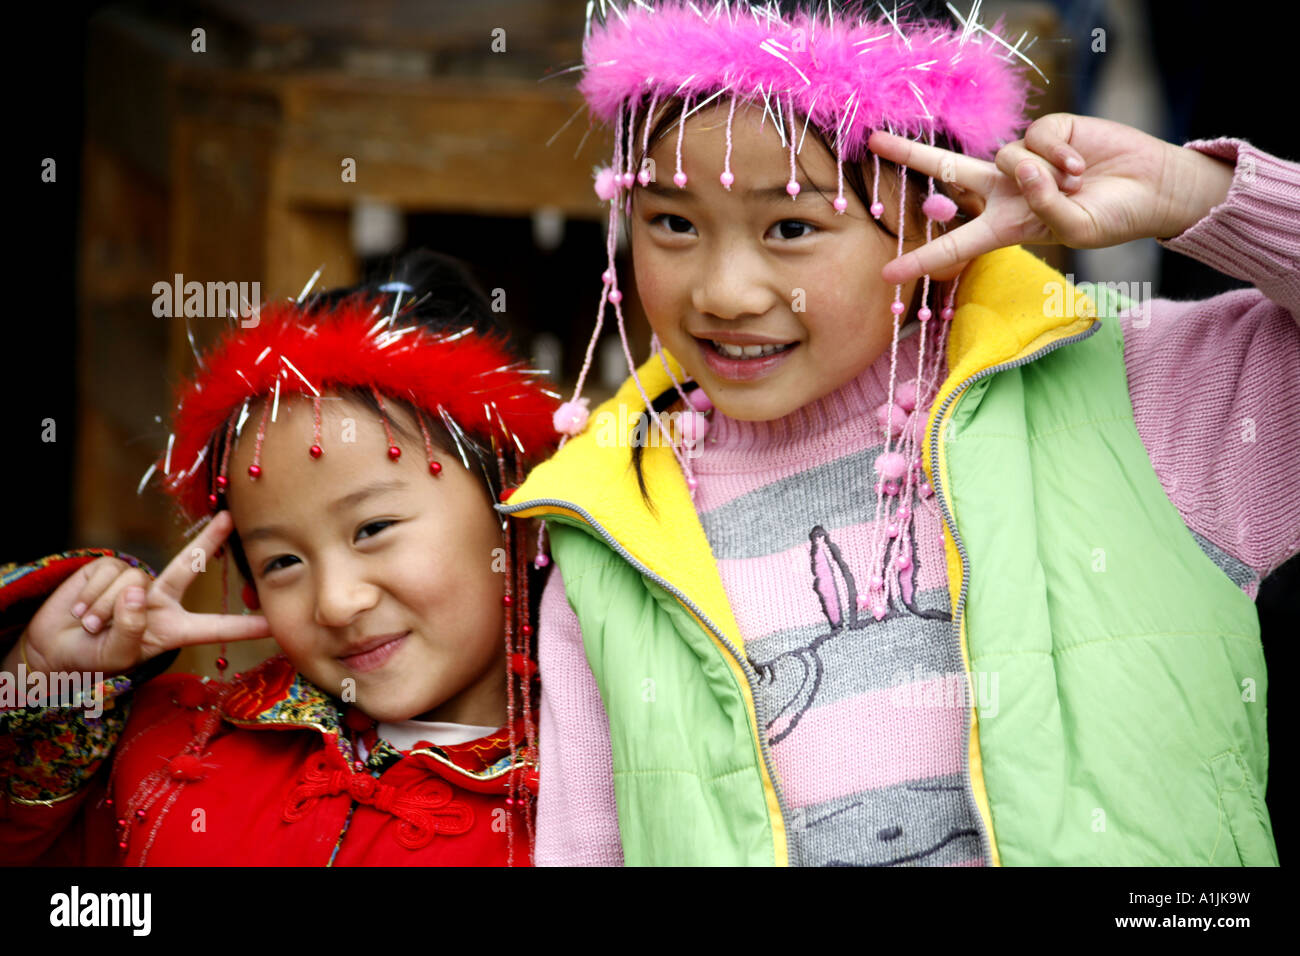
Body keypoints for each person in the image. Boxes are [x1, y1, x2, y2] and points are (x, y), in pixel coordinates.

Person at [502, 1, 1298, 865]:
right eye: (673, 224)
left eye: (793, 227)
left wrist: (1202, 197)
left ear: (938, 210)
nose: (725, 291)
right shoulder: (614, 526)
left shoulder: (1132, 399)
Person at [0, 251, 558, 865]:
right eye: (282, 562)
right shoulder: (168, 754)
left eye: (372, 527)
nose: (337, 603)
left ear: (517, 508)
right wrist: (48, 679)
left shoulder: (591, 801)